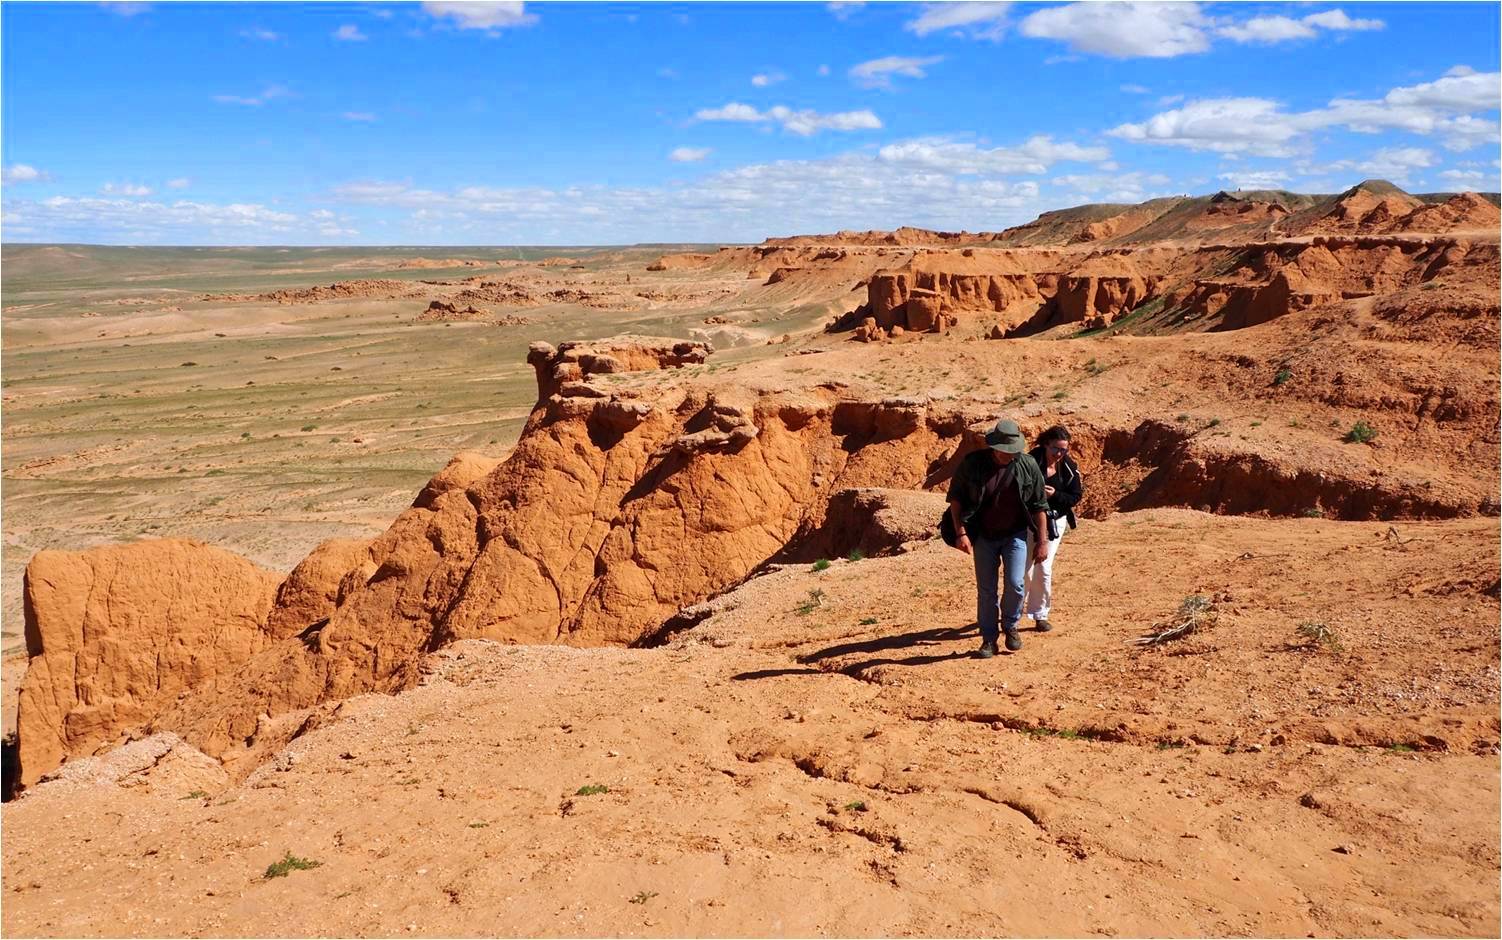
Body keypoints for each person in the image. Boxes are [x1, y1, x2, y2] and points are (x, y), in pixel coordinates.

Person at [946, 418, 1049, 658]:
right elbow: (956, 500)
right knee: (987, 590)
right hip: (983, 536)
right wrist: (961, 533)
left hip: (1015, 535)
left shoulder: (1027, 465)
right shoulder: (973, 464)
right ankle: (988, 640)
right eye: (1004, 450)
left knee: (1016, 583)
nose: (1009, 455)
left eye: (1012, 451)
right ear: (994, 447)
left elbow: (1039, 505)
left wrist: (1042, 541)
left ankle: (1011, 625)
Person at [1024, 426, 1083, 633]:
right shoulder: (1030, 462)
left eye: (1063, 450)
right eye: (1055, 449)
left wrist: (1055, 495)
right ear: (1045, 444)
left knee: (1043, 568)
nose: (1059, 454)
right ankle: (1012, 612)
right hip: (1028, 522)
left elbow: (1075, 496)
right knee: (1023, 570)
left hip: (1055, 522)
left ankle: (1040, 614)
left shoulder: (1068, 468)